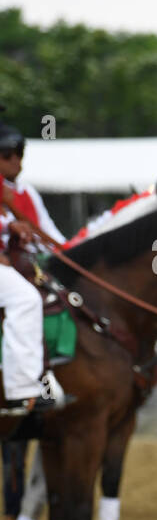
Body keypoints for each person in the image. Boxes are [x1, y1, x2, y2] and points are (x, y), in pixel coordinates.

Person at [0, 121, 67, 414]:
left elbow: (49, 235)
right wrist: (9, 224)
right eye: (7, 153)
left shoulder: (22, 192)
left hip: (21, 260)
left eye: (20, 151)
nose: (16, 159)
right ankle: (22, 389)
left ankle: (51, 370)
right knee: (25, 299)